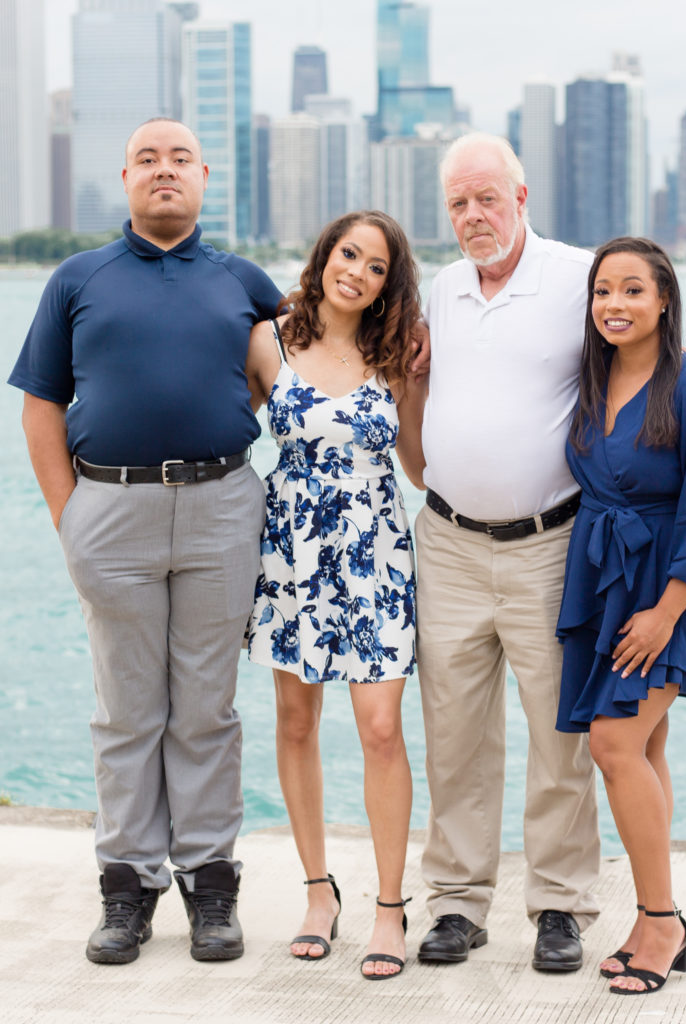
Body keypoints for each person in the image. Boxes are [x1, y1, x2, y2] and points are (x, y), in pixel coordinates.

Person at [413, 133, 686, 973]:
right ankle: (459, 902)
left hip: (552, 546)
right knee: (455, 731)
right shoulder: (442, 287)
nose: (473, 215)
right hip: (448, 540)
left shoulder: (577, 274)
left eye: (487, 197)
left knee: (566, 735)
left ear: (522, 197)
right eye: (458, 202)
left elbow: (652, 331)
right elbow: (409, 373)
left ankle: (561, 904)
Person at [8, 118, 281, 966]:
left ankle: (210, 886)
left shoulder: (245, 282)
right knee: (127, 710)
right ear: (125, 177)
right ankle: (126, 890)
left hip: (223, 505)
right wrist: (70, 516)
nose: (165, 171)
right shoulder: (77, 279)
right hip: (109, 512)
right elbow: (41, 405)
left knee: (206, 706)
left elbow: (299, 378)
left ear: (205, 176)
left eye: (181, 160)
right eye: (148, 160)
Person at [557, 237, 686, 994]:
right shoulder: (591, 374)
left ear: (665, 299)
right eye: (604, 290)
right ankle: (652, 919)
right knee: (647, 745)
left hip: (672, 593)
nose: (615, 304)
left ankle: (662, 918)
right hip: (608, 583)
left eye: (634, 290)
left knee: (614, 743)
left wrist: (666, 614)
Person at [241, 211, 428, 980]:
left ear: (390, 282)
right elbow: (222, 426)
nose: (357, 270)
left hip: (376, 557)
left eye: (376, 265)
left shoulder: (397, 352)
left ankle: (389, 905)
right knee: (295, 720)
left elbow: (419, 465)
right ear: (324, 256)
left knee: (381, 728)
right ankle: (319, 892)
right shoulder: (268, 340)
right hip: (292, 555)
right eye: (349, 253)